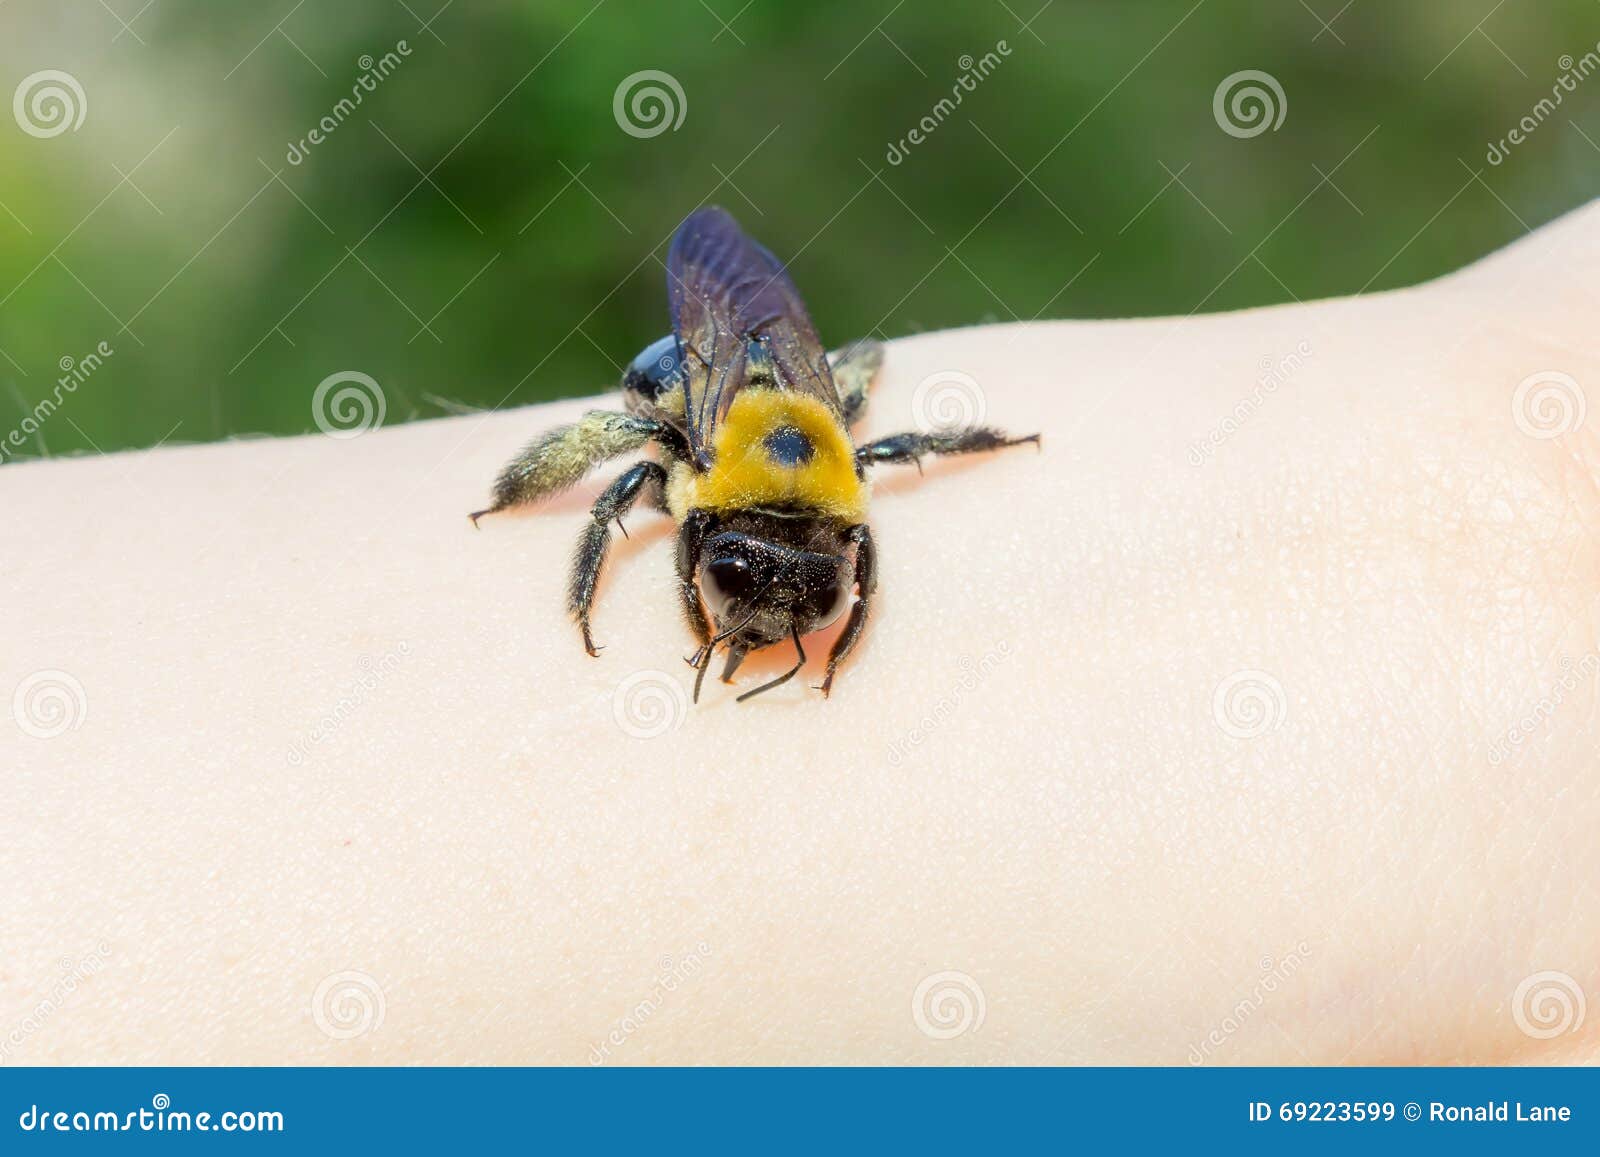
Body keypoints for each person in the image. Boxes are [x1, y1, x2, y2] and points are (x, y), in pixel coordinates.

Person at [3, 203, 1597, 1065]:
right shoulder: (699, 460)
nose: (775, 596)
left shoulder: (843, 483)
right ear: (700, 516)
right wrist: (536, 539)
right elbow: (678, 479)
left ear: (850, 531)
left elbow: (871, 499)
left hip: (789, 387)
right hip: (699, 368)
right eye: (749, 579)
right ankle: (505, 500)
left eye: (815, 586)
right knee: (602, 438)